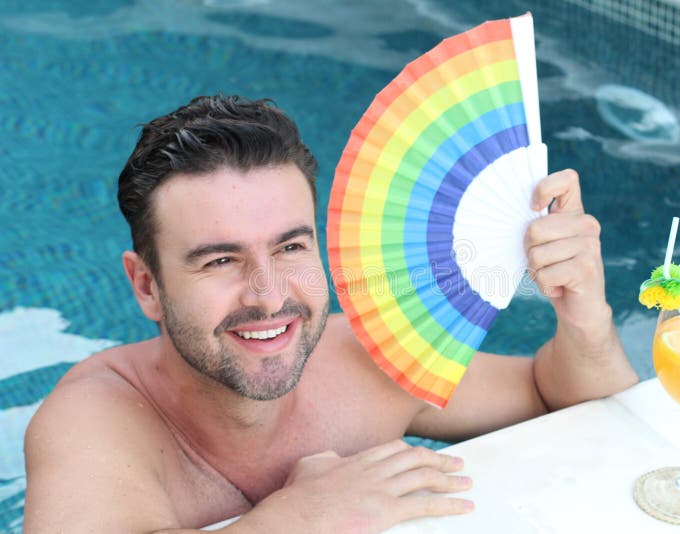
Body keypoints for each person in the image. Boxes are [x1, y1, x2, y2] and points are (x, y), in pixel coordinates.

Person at [23, 95, 638, 533]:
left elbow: (566, 398)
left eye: (291, 247)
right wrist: (302, 518)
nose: (267, 295)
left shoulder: (368, 360)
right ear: (146, 285)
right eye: (219, 262)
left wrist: (583, 312)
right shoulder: (97, 418)